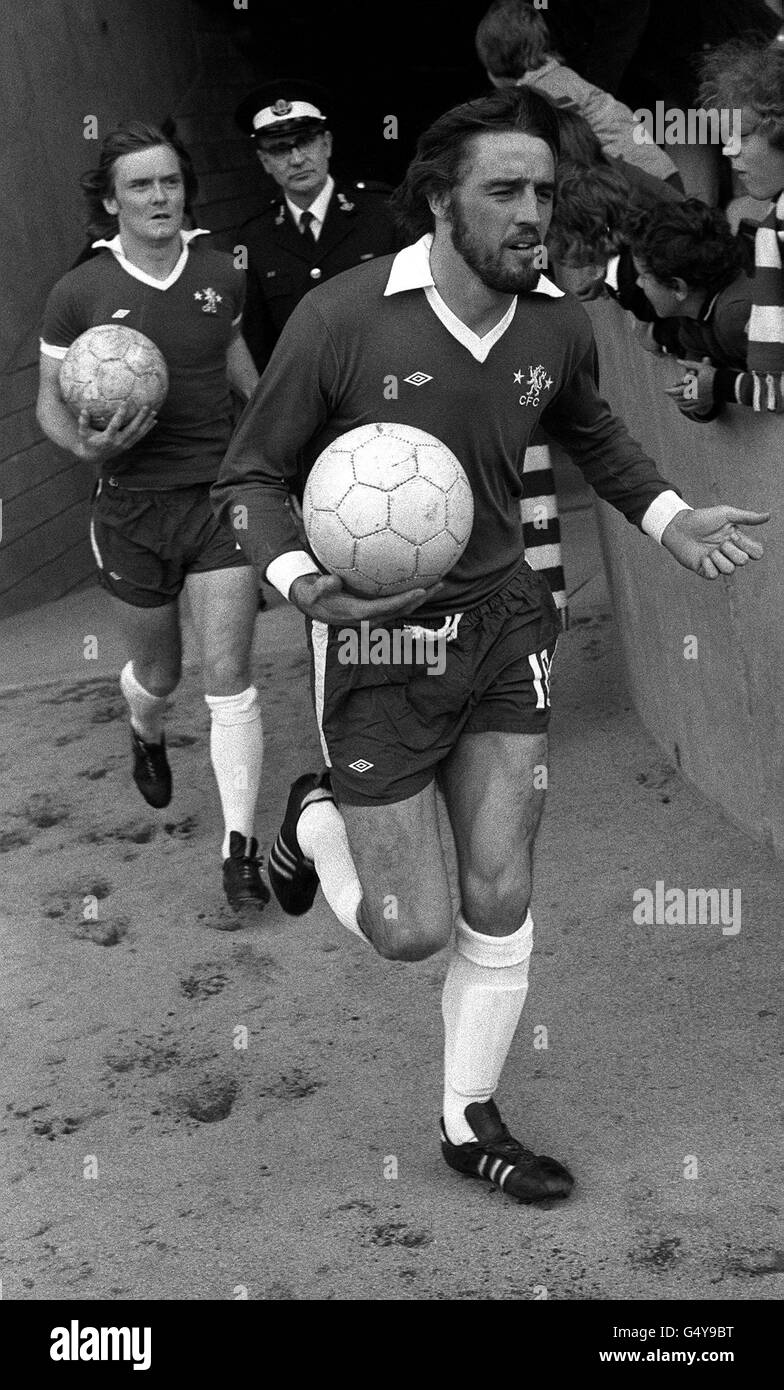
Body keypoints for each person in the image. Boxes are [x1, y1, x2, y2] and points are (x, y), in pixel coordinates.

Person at [212, 89, 768, 1204]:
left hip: (507, 629)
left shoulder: (558, 324)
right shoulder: (338, 317)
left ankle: (468, 1119)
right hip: (379, 648)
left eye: (543, 194)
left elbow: (595, 434)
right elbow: (250, 477)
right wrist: (298, 580)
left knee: (502, 890)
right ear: (439, 201)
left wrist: (669, 518)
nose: (531, 214)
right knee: (411, 931)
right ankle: (315, 818)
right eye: (503, 191)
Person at [36, 121, 269, 913]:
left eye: (170, 182)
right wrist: (91, 447)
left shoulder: (218, 272)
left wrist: (273, 449)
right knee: (163, 674)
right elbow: (47, 407)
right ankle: (144, 726)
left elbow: (242, 374)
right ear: (112, 202)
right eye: (141, 185)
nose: (160, 196)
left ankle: (239, 849)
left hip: (215, 502)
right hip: (131, 509)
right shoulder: (80, 294)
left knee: (230, 675)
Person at [232, 79, 400, 372]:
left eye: (306, 142)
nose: (297, 160)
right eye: (280, 149)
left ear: (327, 144)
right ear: (264, 161)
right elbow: (258, 343)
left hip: (384, 382)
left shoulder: (382, 213)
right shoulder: (253, 239)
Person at [674, 31, 784, 415]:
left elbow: (776, 391)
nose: (727, 149)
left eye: (740, 135)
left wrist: (715, 385)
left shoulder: (775, 231)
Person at [475, 0, 681, 188]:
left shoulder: (551, 92)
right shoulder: (557, 78)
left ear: (495, 63)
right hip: (651, 178)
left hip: (649, 186)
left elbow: (569, 156)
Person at [622, 200, 754, 422]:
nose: (639, 284)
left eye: (645, 277)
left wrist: (720, 384)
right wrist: (695, 397)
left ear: (679, 287)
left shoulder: (736, 314)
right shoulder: (692, 320)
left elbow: (775, 386)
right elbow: (697, 374)